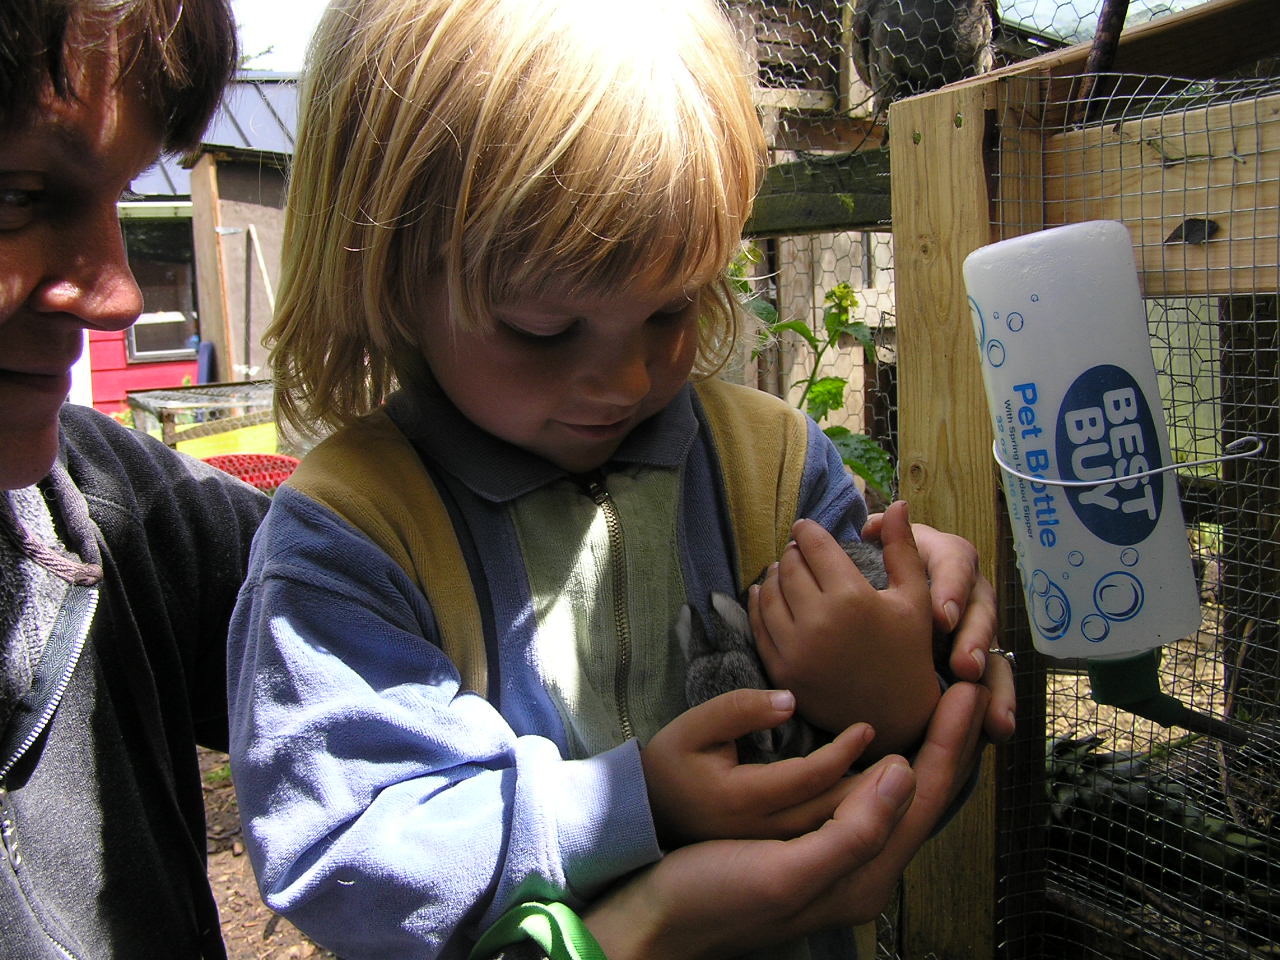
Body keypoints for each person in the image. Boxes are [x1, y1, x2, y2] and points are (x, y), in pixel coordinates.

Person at [227, 0, 1014, 957]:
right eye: (544, 329)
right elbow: (342, 850)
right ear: (387, 276)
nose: (627, 382)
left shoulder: (774, 467)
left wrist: (895, 696)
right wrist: (632, 808)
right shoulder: (356, 532)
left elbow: (924, 774)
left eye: (671, 309)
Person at [0, 2, 268, 957]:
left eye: (119, 196)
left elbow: (421, 603)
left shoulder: (120, 515)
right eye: (17, 194)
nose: (118, 293)